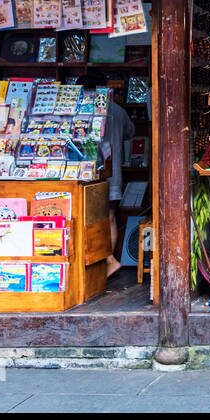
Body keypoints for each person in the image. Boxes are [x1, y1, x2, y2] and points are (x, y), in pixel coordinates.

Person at [81, 72, 136, 279]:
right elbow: (130, 132)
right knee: (110, 217)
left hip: (90, 171)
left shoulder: (84, 110)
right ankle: (109, 259)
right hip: (113, 173)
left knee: (90, 217)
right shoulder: (118, 111)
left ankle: (106, 261)